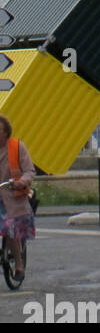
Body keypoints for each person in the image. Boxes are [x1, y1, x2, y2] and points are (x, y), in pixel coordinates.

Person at [0, 116, 35, 279]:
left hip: (12, 197)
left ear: (6, 132)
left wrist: (21, 181)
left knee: (9, 229)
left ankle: (19, 264)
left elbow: (29, 170)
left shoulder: (17, 147)